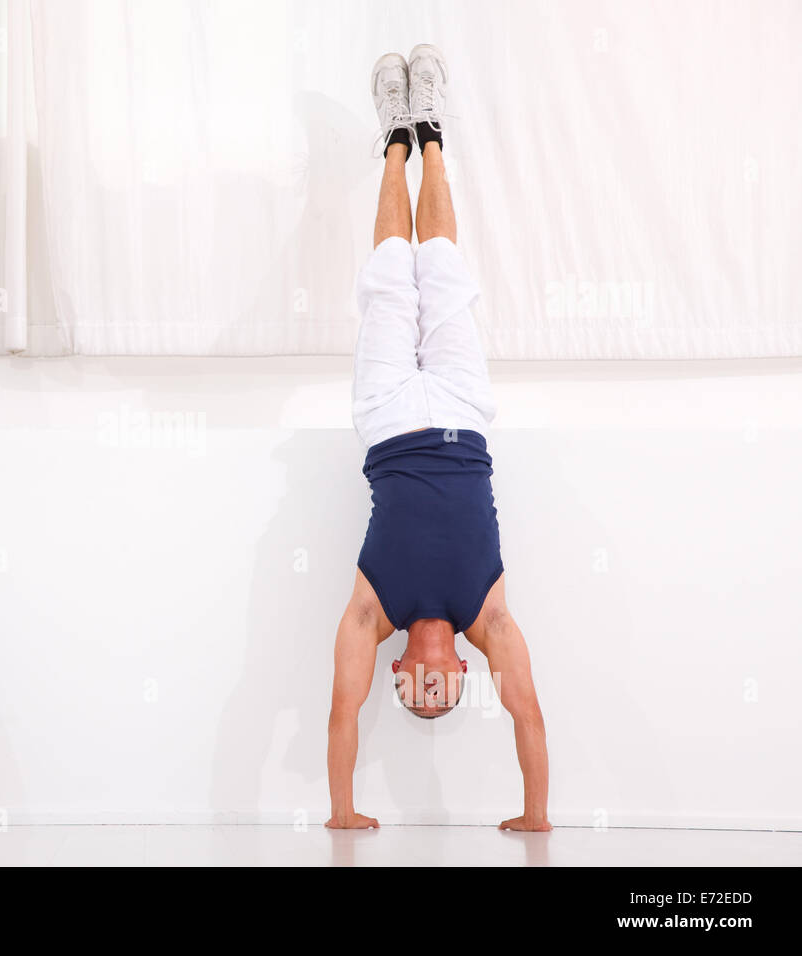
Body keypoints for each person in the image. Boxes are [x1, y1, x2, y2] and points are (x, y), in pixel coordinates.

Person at [325, 47, 550, 832]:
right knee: (444, 266)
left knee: (392, 269)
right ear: (459, 671)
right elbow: (528, 717)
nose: (428, 688)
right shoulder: (487, 617)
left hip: (388, 417)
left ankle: (394, 134)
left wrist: (344, 813)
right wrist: (536, 818)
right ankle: (432, 137)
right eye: (442, 695)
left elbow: (340, 717)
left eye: (415, 695)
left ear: (400, 676)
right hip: (460, 412)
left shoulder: (371, 612)